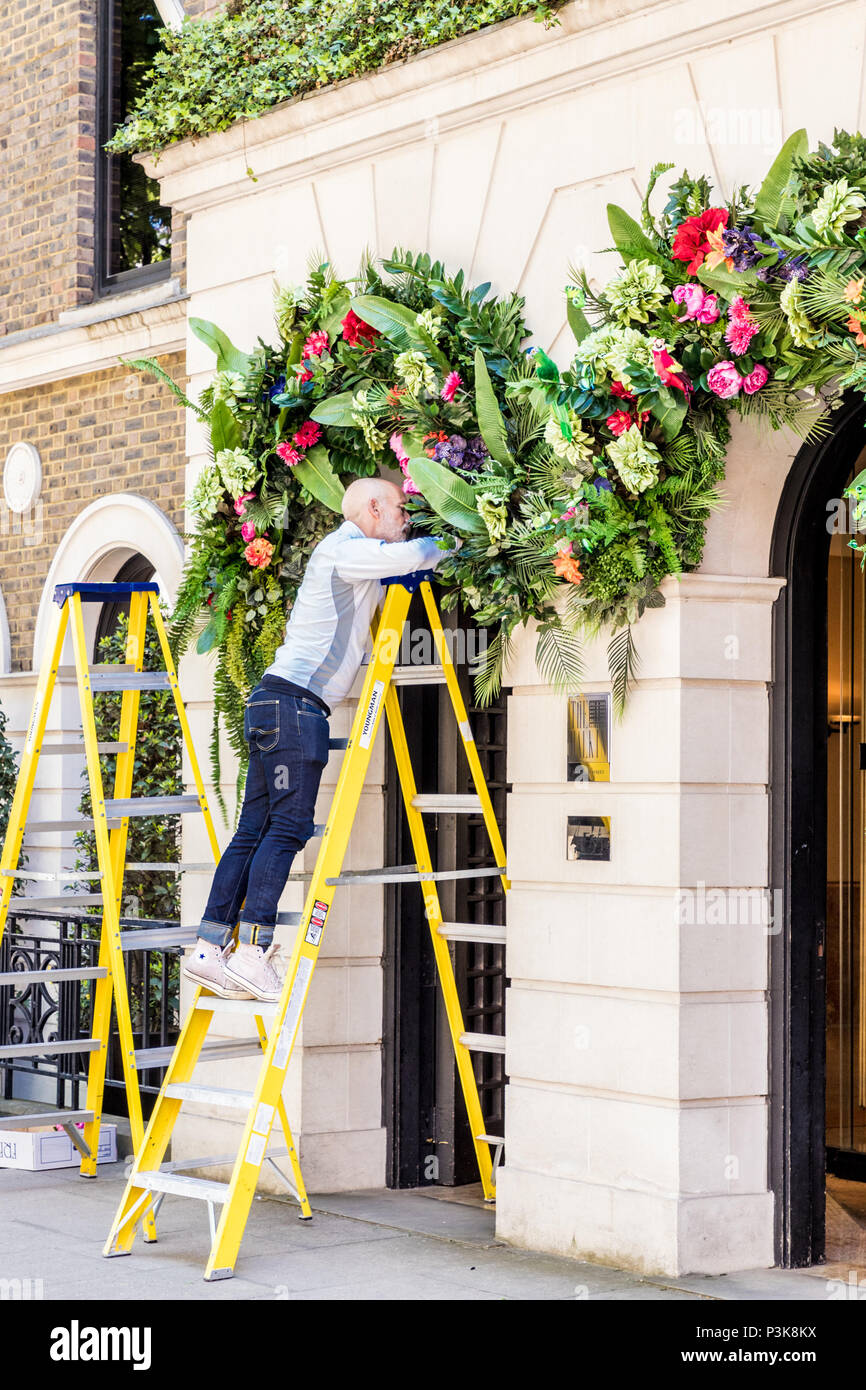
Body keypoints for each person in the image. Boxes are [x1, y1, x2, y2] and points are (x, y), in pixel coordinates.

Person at [183, 476, 456, 1003]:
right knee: (286, 829)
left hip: (272, 702)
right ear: (373, 508)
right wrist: (456, 537)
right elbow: (414, 556)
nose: (405, 518)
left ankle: (209, 947)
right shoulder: (348, 550)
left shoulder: (347, 555)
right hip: (295, 708)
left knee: (252, 830)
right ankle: (252, 952)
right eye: (400, 509)